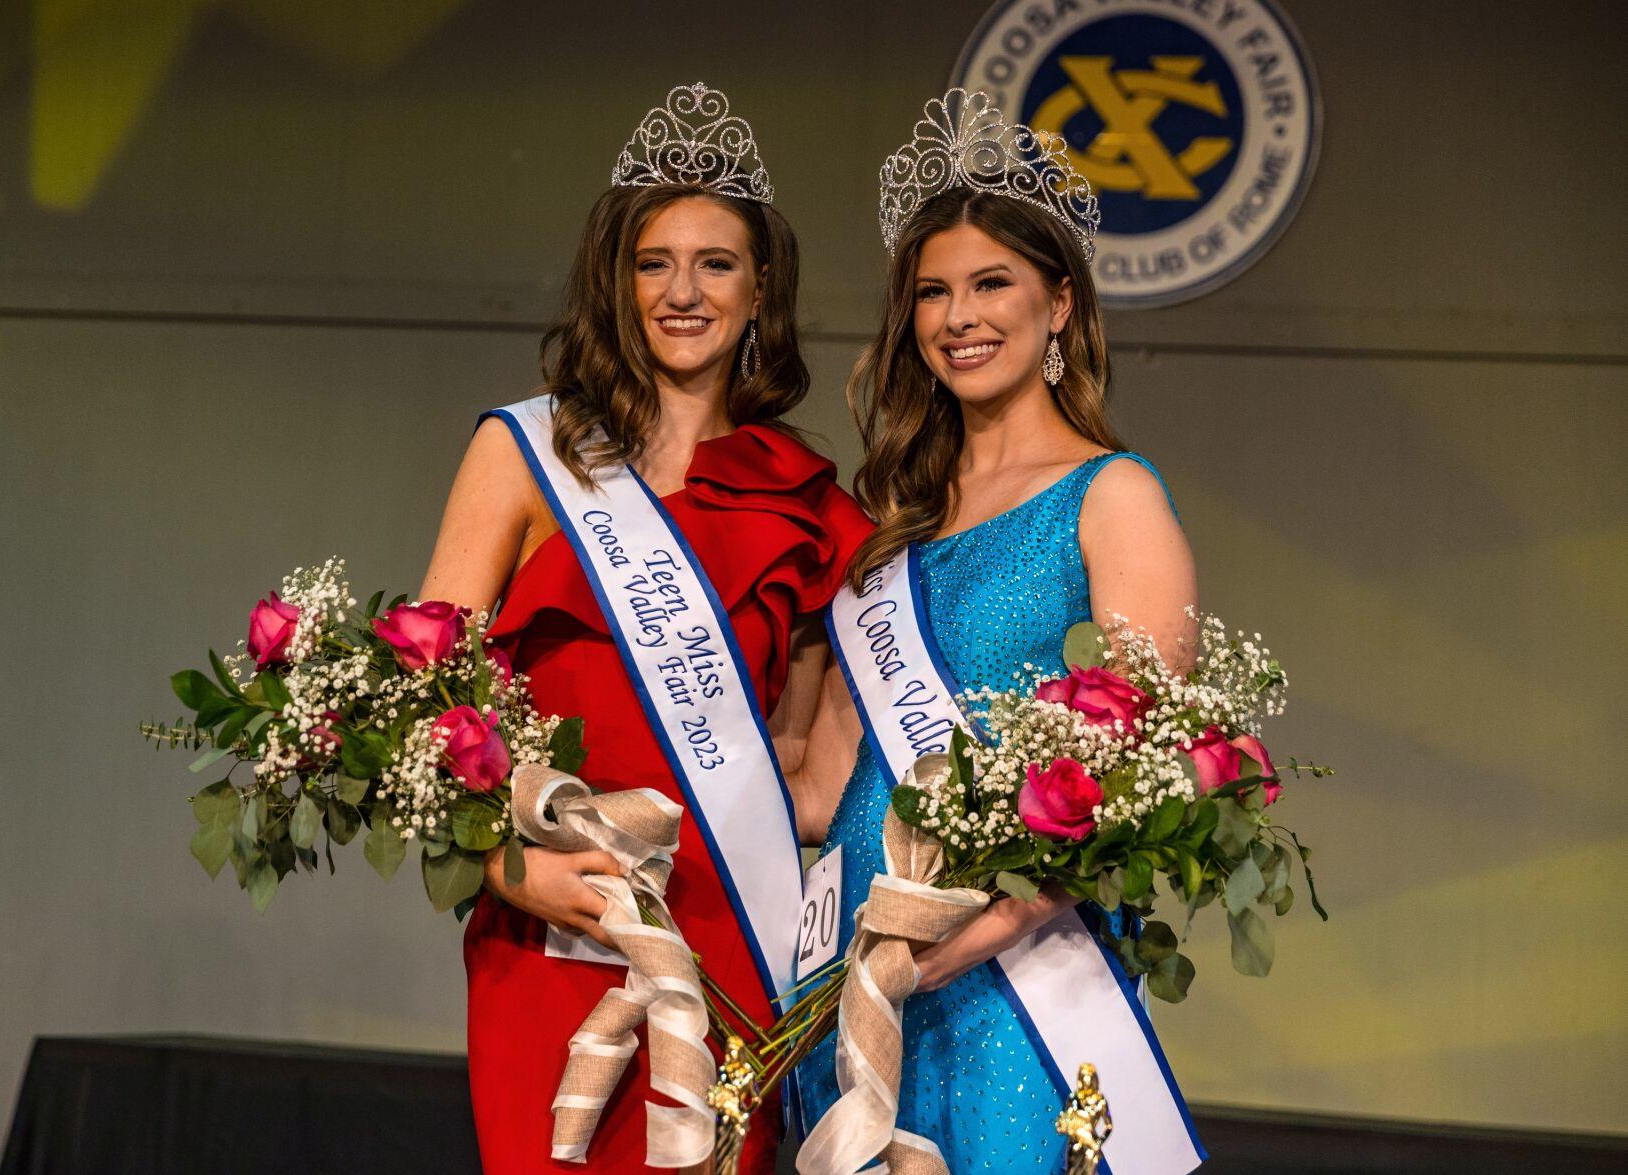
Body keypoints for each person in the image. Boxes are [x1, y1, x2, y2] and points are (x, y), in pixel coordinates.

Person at [416, 83, 870, 1173]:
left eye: (714, 263)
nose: (681, 291)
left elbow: (807, 760)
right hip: (558, 920)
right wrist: (499, 862)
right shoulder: (524, 453)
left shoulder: (807, 501)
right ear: (613, 282)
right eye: (651, 262)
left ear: (761, 287)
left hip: (734, 931)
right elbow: (425, 697)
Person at [780, 91, 1200, 1172]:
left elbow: (1137, 785)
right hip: (861, 965)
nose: (956, 315)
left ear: (1058, 304)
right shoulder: (892, 521)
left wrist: (949, 949)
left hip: (1011, 984)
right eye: (930, 292)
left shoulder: (1111, 496)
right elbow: (823, 782)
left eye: (989, 284)